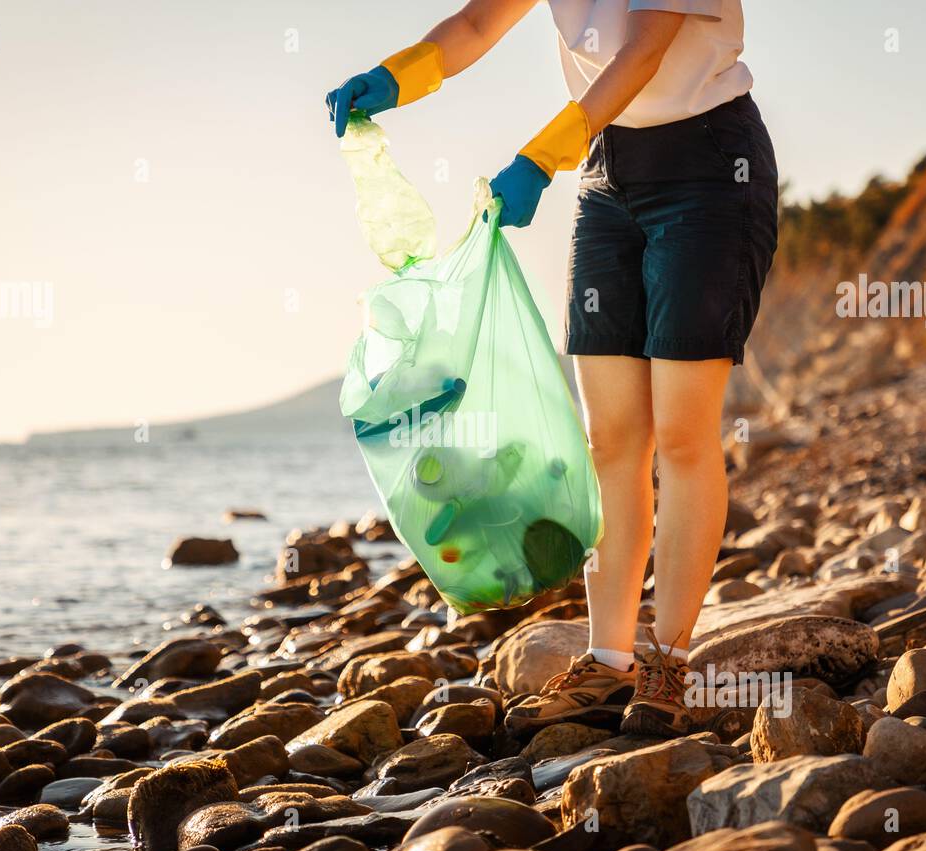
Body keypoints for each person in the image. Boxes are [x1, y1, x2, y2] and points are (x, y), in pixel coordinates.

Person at [327, 0, 777, 738]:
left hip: (709, 172)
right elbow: (475, 26)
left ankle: (667, 667)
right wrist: (394, 77)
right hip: (607, 177)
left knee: (685, 436)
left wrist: (540, 157)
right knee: (610, 441)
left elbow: (644, 52)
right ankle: (608, 658)